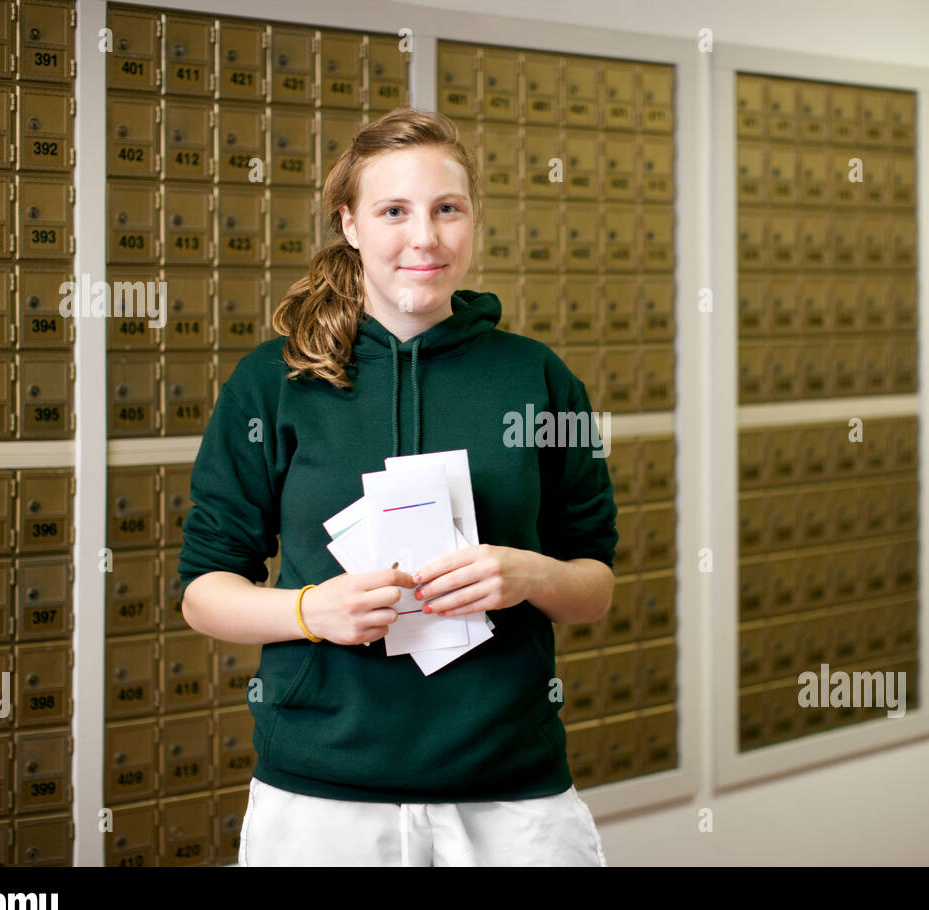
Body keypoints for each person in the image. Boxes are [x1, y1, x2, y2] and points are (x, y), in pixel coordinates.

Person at [178, 107, 617, 866]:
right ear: (350, 225)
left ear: (473, 220)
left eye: (448, 209)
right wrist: (313, 610)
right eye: (394, 211)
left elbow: (595, 586)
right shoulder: (272, 382)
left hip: (510, 792)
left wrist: (527, 573)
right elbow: (204, 591)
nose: (425, 237)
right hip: (321, 795)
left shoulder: (538, 378)